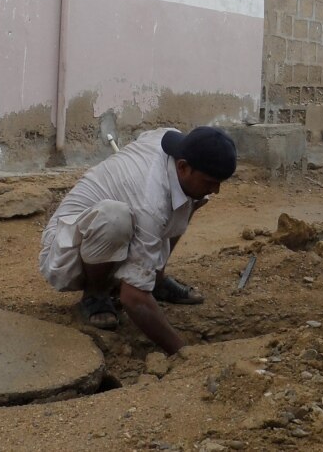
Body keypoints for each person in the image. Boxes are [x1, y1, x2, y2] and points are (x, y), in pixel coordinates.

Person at [38, 126, 237, 355]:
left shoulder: (172, 141)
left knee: (190, 198)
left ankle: (157, 280)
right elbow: (133, 299)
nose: (217, 190)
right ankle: (96, 293)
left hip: (123, 224)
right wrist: (183, 353)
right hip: (65, 247)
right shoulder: (150, 200)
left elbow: (148, 141)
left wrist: (151, 278)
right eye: (210, 181)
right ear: (182, 167)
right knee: (115, 218)